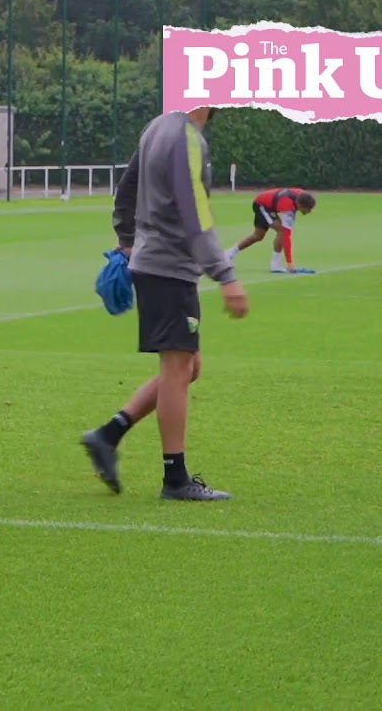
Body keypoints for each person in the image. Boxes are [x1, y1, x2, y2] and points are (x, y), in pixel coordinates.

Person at [80, 106, 248, 501]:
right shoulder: (186, 136)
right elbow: (195, 215)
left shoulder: (156, 126)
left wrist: (127, 239)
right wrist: (226, 275)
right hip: (169, 266)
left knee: (189, 366)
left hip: (157, 262)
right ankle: (175, 479)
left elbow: (127, 186)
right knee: (177, 367)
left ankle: (108, 434)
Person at [226, 187, 316, 273]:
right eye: (308, 209)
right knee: (282, 231)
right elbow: (287, 236)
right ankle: (275, 265)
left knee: (257, 236)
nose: (310, 211)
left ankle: (228, 254)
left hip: (269, 204)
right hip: (262, 204)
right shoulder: (287, 206)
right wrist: (290, 262)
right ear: (300, 205)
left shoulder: (301, 195)